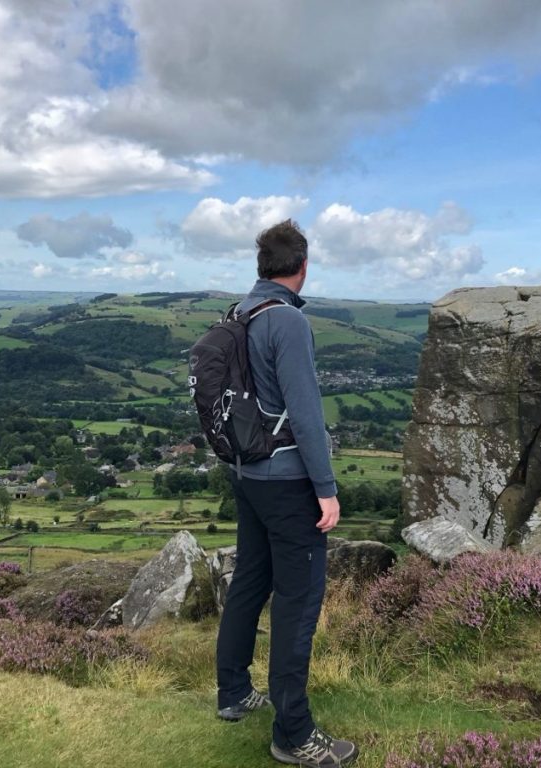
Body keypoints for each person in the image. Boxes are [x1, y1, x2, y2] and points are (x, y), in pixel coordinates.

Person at [215, 219, 358, 767]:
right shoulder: (287, 323)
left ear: (261, 267)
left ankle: (233, 692)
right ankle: (293, 734)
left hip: (247, 474)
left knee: (250, 581)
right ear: (302, 266)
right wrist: (326, 489)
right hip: (287, 480)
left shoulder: (240, 314)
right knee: (298, 604)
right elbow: (305, 412)